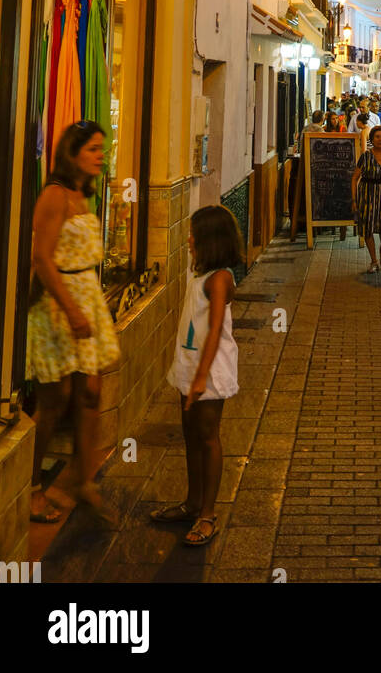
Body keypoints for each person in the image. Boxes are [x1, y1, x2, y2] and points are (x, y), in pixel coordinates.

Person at [26, 121, 121, 524]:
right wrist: (71, 310)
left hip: (85, 299)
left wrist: (89, 308)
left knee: (90, 392)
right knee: (54, 400)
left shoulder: (85, 194)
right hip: (57, 305)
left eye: (103, 148)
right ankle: (30, 488)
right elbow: (42, 259)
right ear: (72, 153)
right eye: (94, 149)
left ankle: (84, 480)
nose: (101, 155)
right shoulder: (55, 196)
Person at [152, 204, 243, 546]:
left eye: (194, 234)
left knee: (208, 438)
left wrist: (202, 379)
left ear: (210, 240)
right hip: (189, 366)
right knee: (190, 437)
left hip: (210, 371)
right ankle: (192, 503)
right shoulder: (199, 273)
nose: (188, 239)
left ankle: (208, 514)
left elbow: (215, 329)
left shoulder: (220, 279)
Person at [351, 126, 381, 273]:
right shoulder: (365, 156)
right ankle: (373, 261)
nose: (380, 139)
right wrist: (354, 200)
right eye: (377, 137)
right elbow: (355, 178)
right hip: (367, 195)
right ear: (372, 139)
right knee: (367, 228)